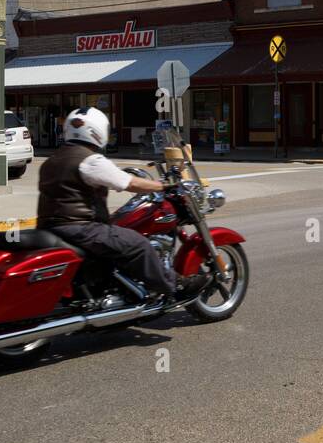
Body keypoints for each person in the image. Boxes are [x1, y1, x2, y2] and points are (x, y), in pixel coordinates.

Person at [37, 107, 210, 303]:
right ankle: (175, 287)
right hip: (80, 228)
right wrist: (163, 186)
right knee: (139, 245)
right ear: (99, 131)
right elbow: (129, 183)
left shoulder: (52, 160)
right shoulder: (90, 160)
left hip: (50, 227)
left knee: (119, 238)